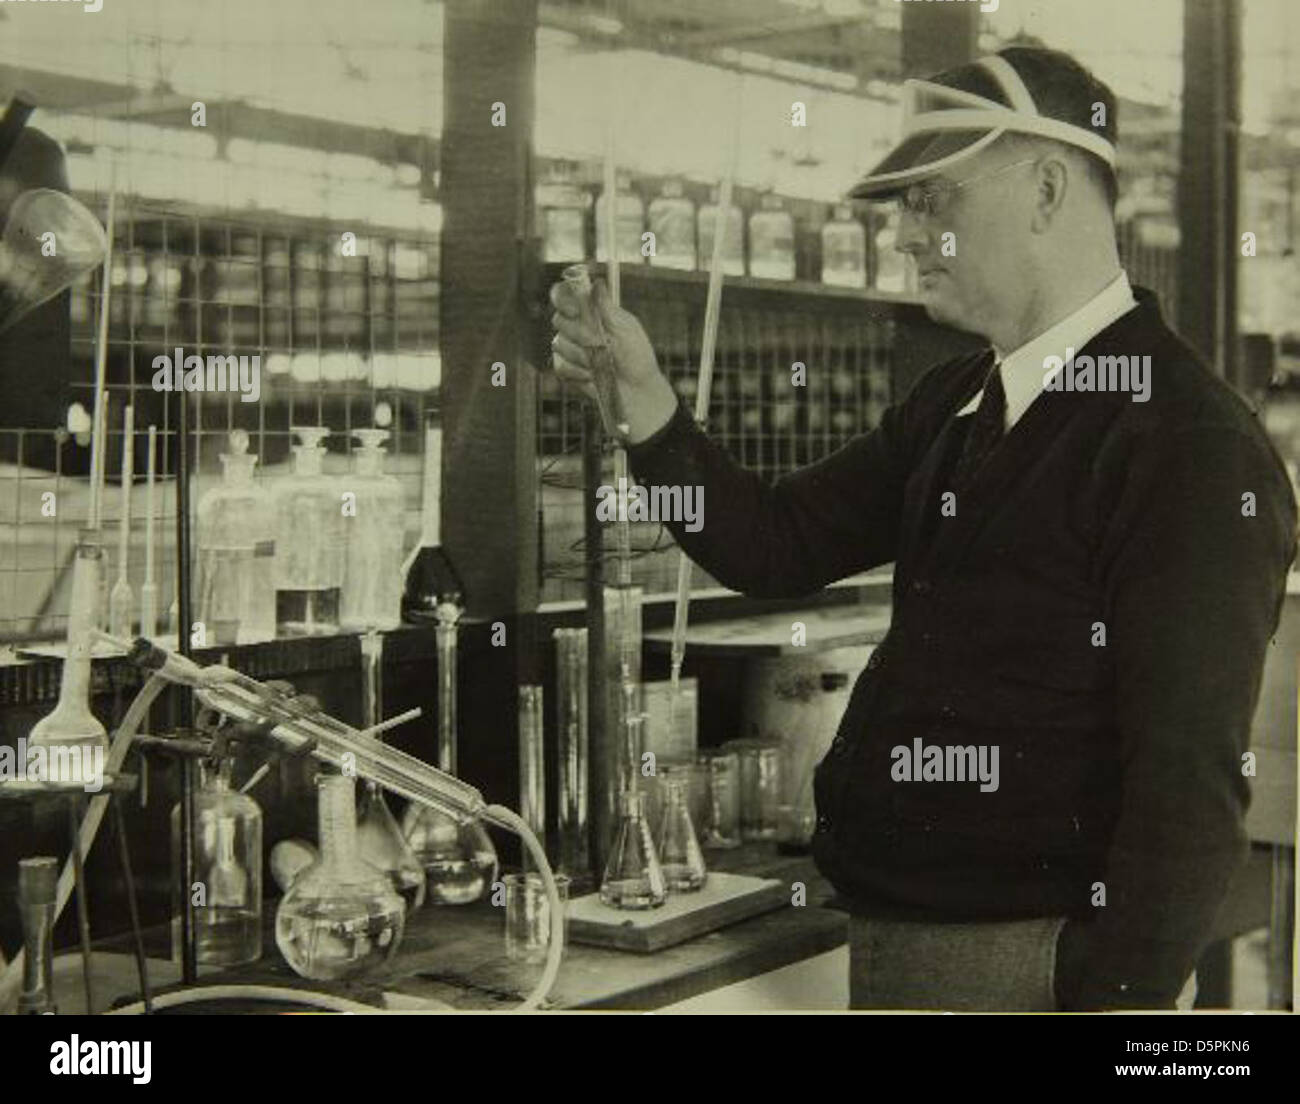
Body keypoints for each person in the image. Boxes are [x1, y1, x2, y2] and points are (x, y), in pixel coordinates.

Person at [550, 45, 1298, 1011]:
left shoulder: (1187, 443)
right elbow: (772, 544)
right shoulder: (959, 401)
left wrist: (1116, 1003)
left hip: (1040, 965)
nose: (905, 236)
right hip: (904, 938)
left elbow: (1189, 790)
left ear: (1045, 187)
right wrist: (646, 405)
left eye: (932, 200)